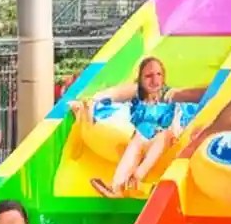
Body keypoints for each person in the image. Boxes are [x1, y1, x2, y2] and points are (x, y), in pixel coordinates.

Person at [70, 58, 204, 198]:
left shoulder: (167, 95)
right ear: (140, 78)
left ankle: (137, 178)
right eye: (148, 76)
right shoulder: (137, 94)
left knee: (164, 135)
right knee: (138, 137)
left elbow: (191, 95)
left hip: (166, 138)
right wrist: (92, 102)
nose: (154, 80)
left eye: (159, 75)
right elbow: (114, 94)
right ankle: (117, 187)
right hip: (146, 138)